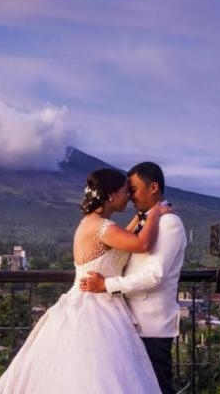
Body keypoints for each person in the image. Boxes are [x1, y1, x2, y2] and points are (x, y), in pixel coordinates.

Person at [0, 168, 173, 394]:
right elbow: (142, 244)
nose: (129, 197)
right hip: (98, 310)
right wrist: (154, 214)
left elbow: (123, 239)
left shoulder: (95, 223)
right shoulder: (103, 228)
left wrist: (141, 216)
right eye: (126, 191)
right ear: (111, 195)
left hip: (89, 303)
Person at [79, 162, 187, 394]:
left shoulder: (169, 223)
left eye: (134, 189)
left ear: (153, 188)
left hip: (151, 326)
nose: (129, 196)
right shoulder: (143, 221)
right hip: (125, 323)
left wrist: (106, 285)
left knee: (157, 388)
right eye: (126, 191)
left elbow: (154, 275)